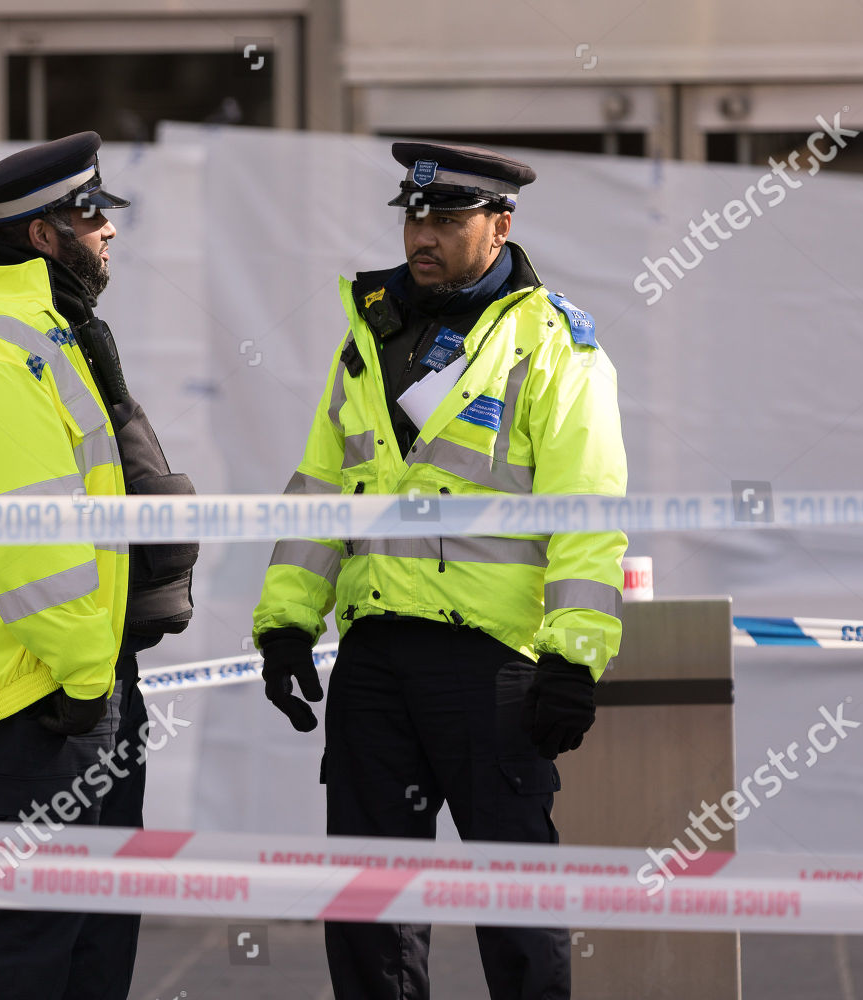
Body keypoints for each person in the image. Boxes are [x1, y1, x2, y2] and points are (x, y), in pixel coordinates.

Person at [252, 141, 628, 1000]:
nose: (423, 235)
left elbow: (587, 508)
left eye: (447, 219)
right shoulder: (370, 329)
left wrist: (575, 656)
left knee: (517, 904)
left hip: (489, 663)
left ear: (500, 225)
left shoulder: (552, 344)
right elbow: (320, 488)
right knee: (368, 910)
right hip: (376, 657)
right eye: (414, 216)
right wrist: (284, 623)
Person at [0, 131, 197, 1000]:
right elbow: (29, 535)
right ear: (41, 234)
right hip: (43, 693)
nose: (108, 232)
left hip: (80, 679)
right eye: (91, 215)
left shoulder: (47, 332)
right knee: (32, 946)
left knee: (92, 949)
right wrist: (81, 674)